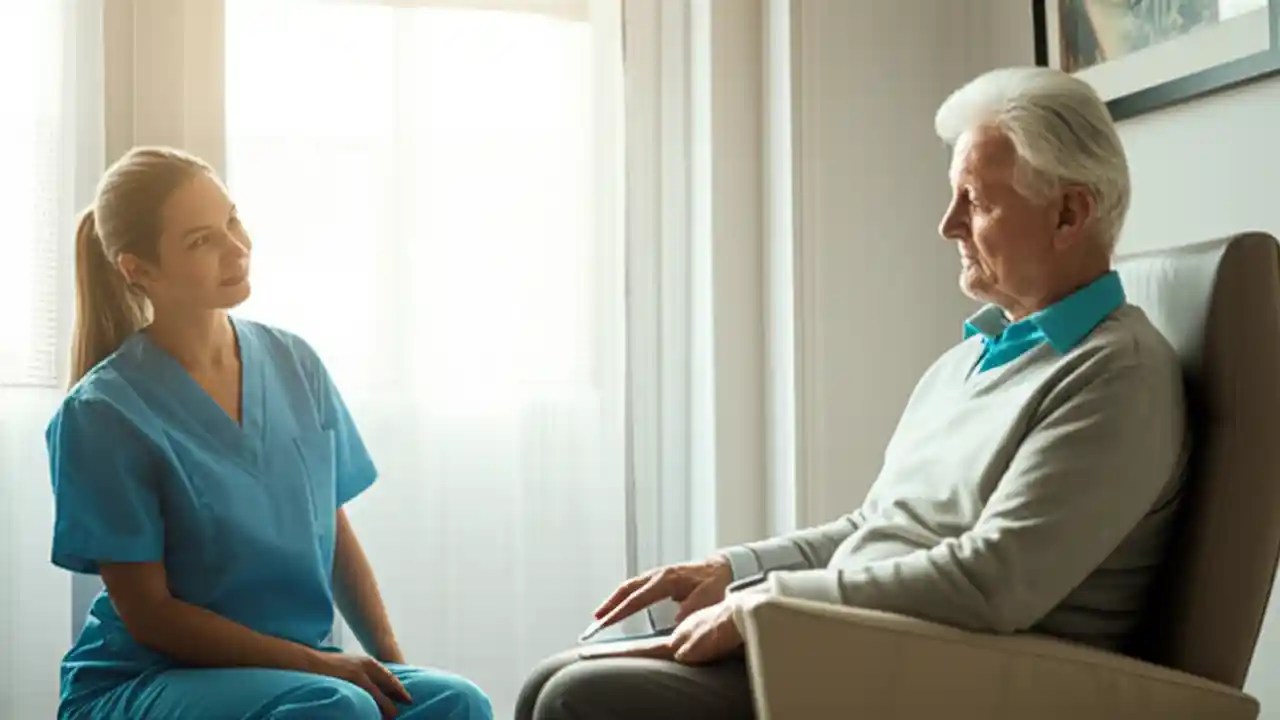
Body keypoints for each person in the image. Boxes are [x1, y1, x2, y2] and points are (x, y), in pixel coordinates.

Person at [517, 66, 1188, 720]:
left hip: (955, 678)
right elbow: (874, 528)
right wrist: (731, 571)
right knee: (554, 676)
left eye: (977, 202)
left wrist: (762, 606)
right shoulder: (968, 362)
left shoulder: (1116, 375)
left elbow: (993, 581)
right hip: (853, 645)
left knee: (578, 701)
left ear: (1069, 213)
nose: (948, 225)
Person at [47, 146, 492, 720]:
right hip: (150, 679)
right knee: (333, 707)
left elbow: (334, 534)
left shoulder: (294, 362)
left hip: (294, 675)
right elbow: (150, 615)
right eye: (201, 240)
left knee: (455, 702)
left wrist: (394, 672)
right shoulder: (103, 413)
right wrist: (322, 667)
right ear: (138, 268)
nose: (236, 248)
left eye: (232, 220)